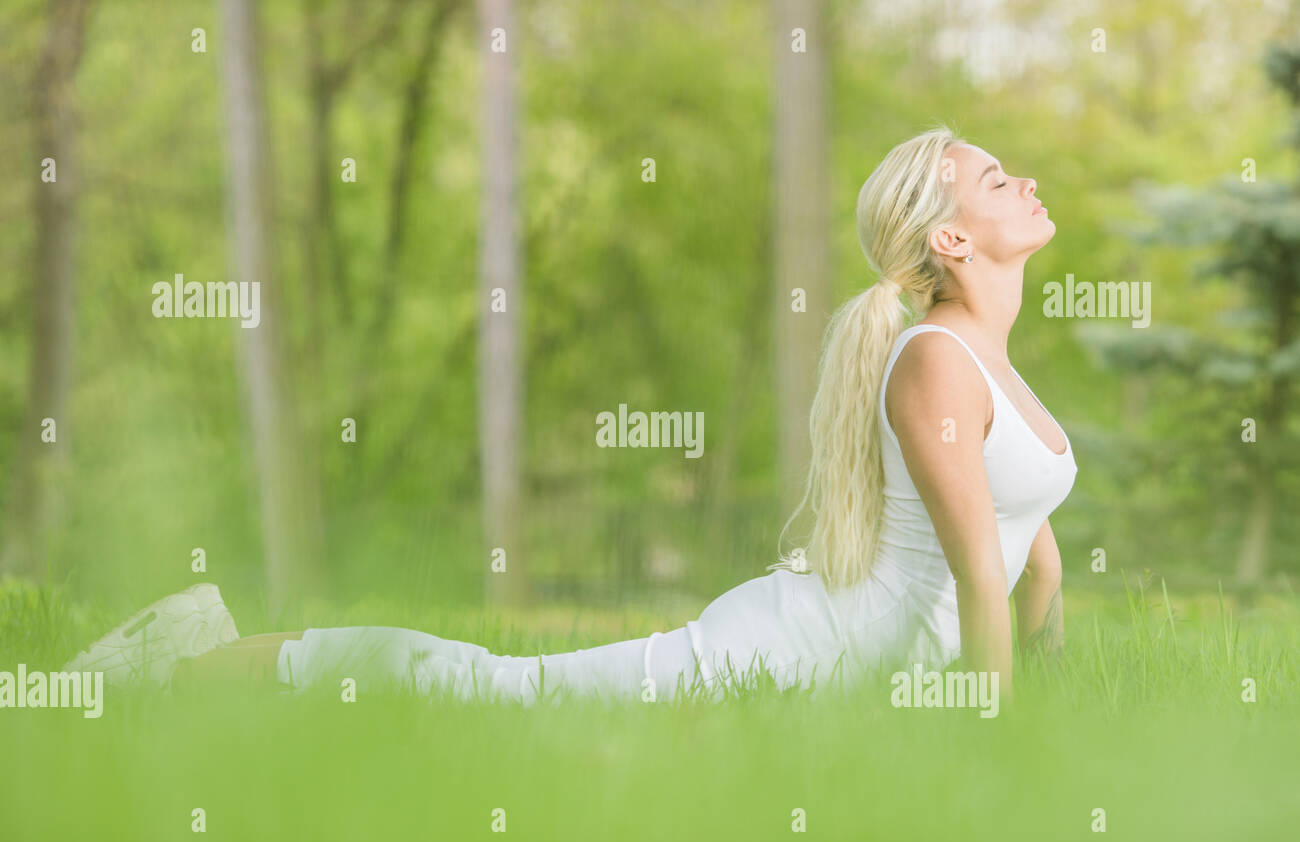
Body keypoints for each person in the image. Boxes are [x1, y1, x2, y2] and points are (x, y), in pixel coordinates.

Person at [62, 126, 1076, 707]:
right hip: (785, 655)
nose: (1025, 180)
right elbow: (978, 576)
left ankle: (213, 654)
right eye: (996, 179)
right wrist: (986, 744)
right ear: (951, 238)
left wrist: (1052, 693)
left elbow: (1032, 559)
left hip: (845, 672)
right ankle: (192, 664)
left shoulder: (987, 362)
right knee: (497, 689)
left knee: (497, 688)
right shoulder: (934, 363)